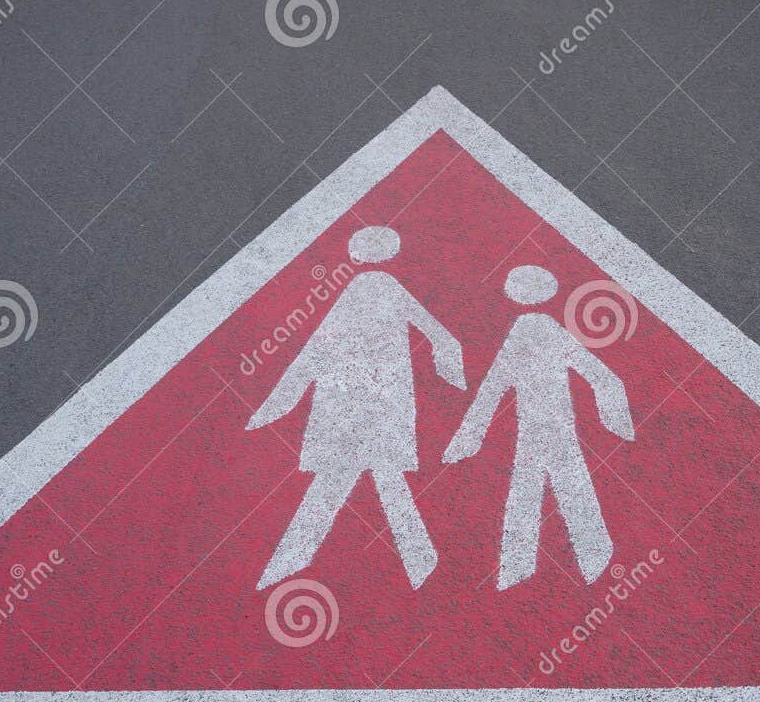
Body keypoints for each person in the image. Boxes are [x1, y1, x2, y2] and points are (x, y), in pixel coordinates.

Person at [247, 226, 465, 590]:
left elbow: (316, 349)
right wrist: (451, 372)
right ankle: (419, 560)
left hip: (347, 402)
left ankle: (293, 560)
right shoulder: (388, 290)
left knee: (345, 474)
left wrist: (283, 397)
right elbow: (441, 336)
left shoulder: (360, 291)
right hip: (385, 401)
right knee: (377, 474)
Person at [444, 265, 634, 590]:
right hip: (556, 427)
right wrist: (616, 420)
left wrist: (469, 436)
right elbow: (602, 377)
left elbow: (493, 388)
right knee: (562, 483)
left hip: (536, 429)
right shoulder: (551, 332)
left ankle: (521, 567)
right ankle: (589, 557)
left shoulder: (524, 334)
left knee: (531, 488)